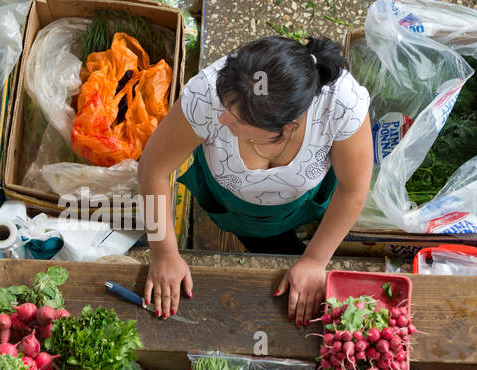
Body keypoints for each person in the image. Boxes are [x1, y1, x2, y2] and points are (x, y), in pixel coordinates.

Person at [138, 36, 373, 327]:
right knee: (252, 237)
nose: (222, 120)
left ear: (287, 128)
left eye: (238, 121)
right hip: (233, 205)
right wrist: (163, 253)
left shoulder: (342, 105)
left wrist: (315, 260)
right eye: (225, 107)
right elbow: (152, 170)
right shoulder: (208, 94)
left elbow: (353, 189)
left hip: (302, 200)